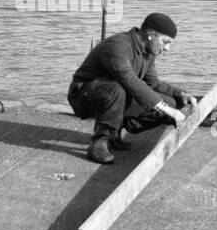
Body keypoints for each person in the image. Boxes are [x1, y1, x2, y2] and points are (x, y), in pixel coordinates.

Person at [67, 12, 197, 164]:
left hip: (116, 96)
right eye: (165, 42)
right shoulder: (117, 46)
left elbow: (153, 83)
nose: (167, 48)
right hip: (85, 96)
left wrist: (180, 94)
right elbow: (128, 79)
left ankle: (115, 131)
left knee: (172, 103)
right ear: (151, 34)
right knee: (117, 89)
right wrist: (166, 109)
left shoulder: (148, 52)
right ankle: (99, 142)